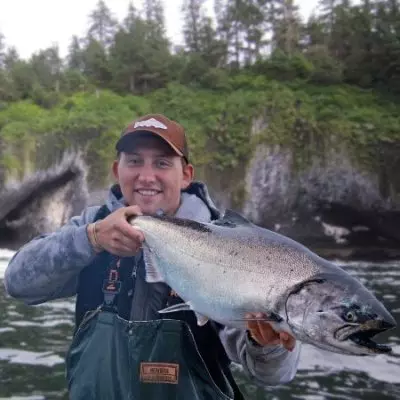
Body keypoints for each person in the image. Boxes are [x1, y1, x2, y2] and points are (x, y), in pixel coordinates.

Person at [4, 114, 301, 400]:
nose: (146, 176)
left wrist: (267, 346)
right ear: (116, 170)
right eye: (134, 161)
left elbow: (275, 375)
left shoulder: (229, 245)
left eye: (161, 162)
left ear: (186, 175)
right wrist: (91, 238)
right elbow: (17, 282)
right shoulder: (91, 226)